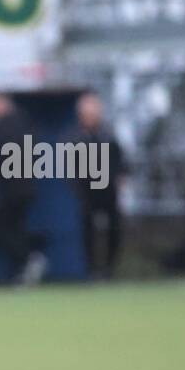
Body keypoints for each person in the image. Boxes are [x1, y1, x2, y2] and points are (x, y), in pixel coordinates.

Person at [0, 92, 46, 284]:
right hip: (26, 186)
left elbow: (7, 157)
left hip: (14, 187)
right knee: (14, 225)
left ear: (1, 104)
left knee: (2, 224)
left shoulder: (7, 126)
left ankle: (30, 259)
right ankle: (23, 267)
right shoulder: (25, 122)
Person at [66, 91, 126, 279]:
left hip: (108, 189)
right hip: (86, 190)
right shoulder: (74, 136)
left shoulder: (108, 134)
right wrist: (76, 187)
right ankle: (92, 270)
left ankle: (109, 269)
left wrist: (121, 178)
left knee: (114, 228)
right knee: (88, 230)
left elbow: (120, 160)